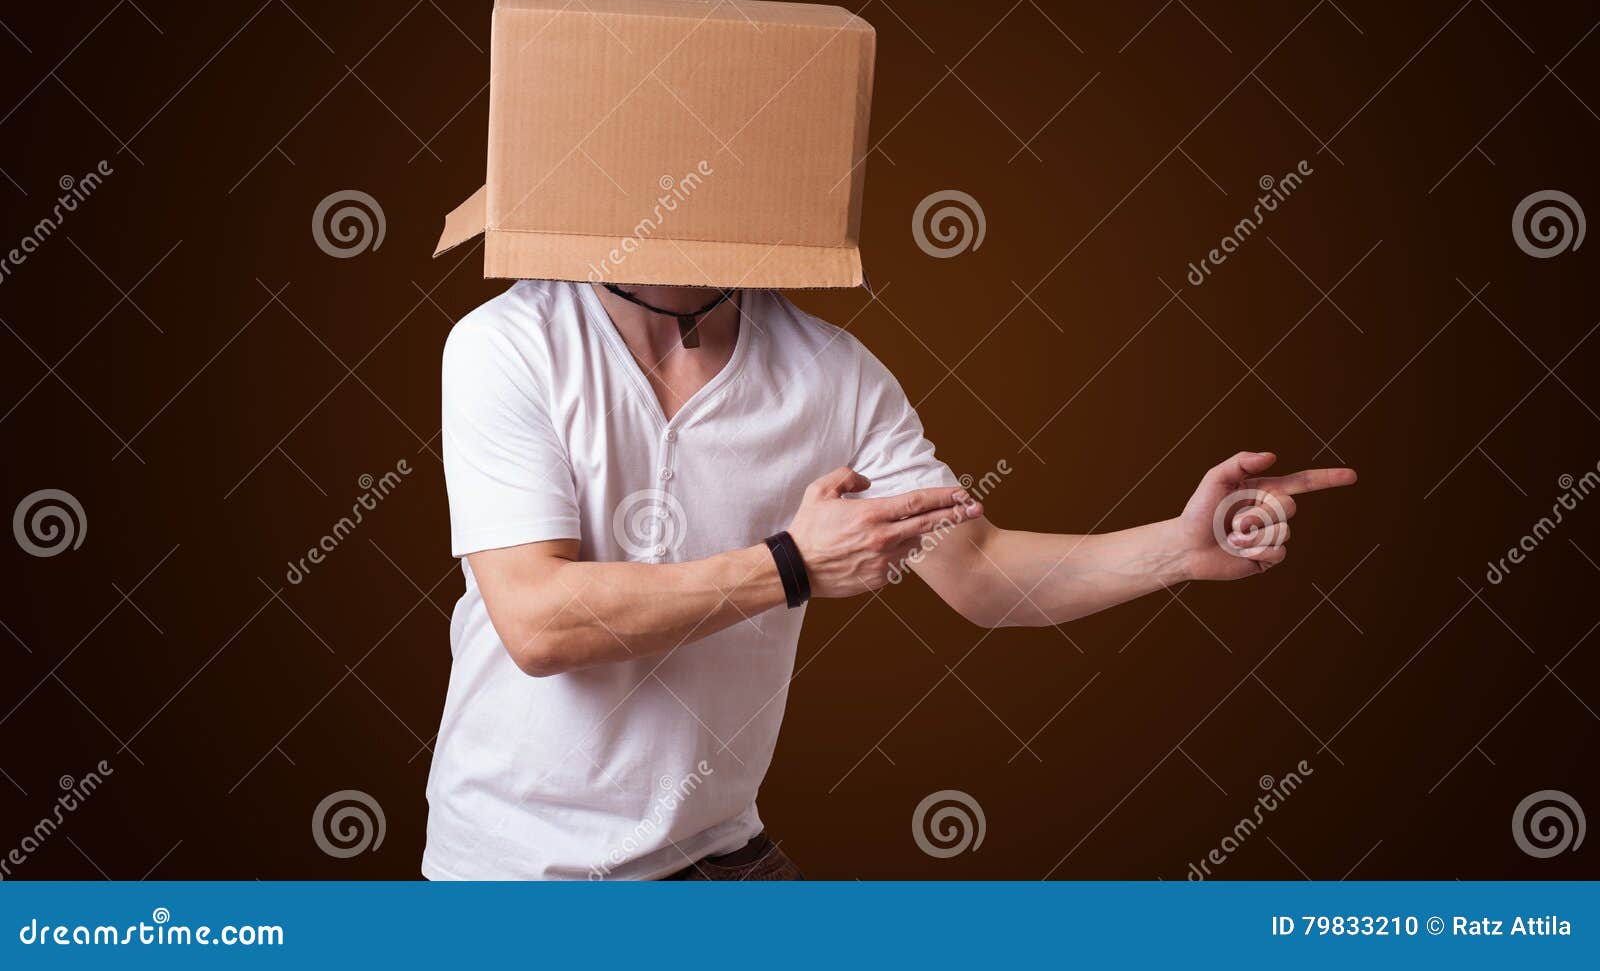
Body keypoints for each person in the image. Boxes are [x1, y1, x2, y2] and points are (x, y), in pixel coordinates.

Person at [422, 280, 1356, 880]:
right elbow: (538, 622)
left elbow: (979, 570)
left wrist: (1176, 549)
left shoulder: (831, 371)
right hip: (509, 876)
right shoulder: (508, 344)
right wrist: (790, 565)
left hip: (714, 856)